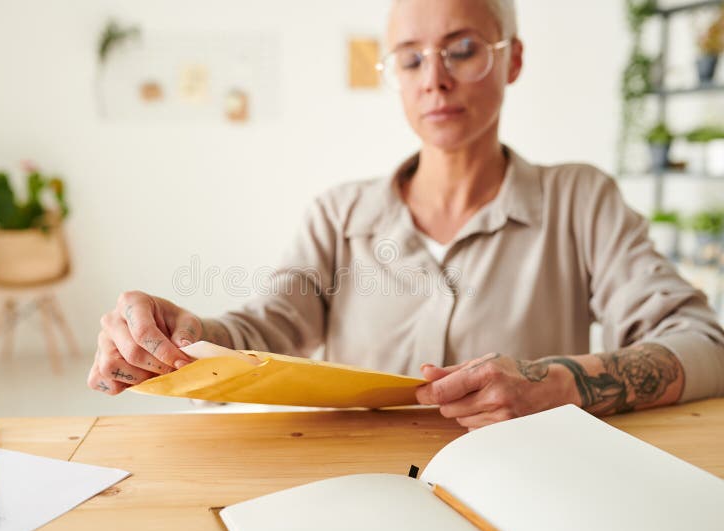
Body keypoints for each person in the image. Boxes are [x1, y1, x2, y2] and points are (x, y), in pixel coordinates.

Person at [88, 0, 724, 429]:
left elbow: (706, 345)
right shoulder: (338, 213)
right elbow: (269, 327)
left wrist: (557, 383)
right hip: (359, 492)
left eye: (463, 49)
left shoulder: (582, 202)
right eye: (412, 58)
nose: (435, 80)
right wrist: (189, 338)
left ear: (513, 60)